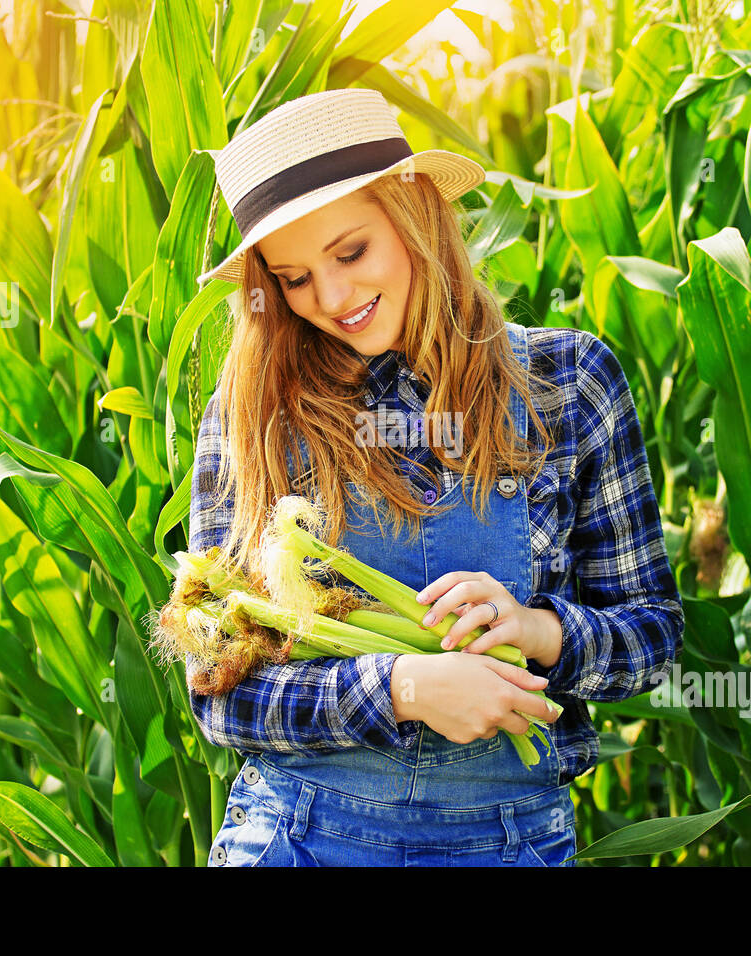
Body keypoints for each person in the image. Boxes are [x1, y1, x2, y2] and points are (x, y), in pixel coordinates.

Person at [187, 88, 684, 866]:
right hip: (298, 836)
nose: (333, 299)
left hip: (503, 840)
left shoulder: (569, 381)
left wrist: (536, 628)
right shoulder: (255, 413)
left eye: (351, 253)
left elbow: (651, 636)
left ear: (415, 209)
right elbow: (218, 690)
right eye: (293, 278)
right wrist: (401, 689)